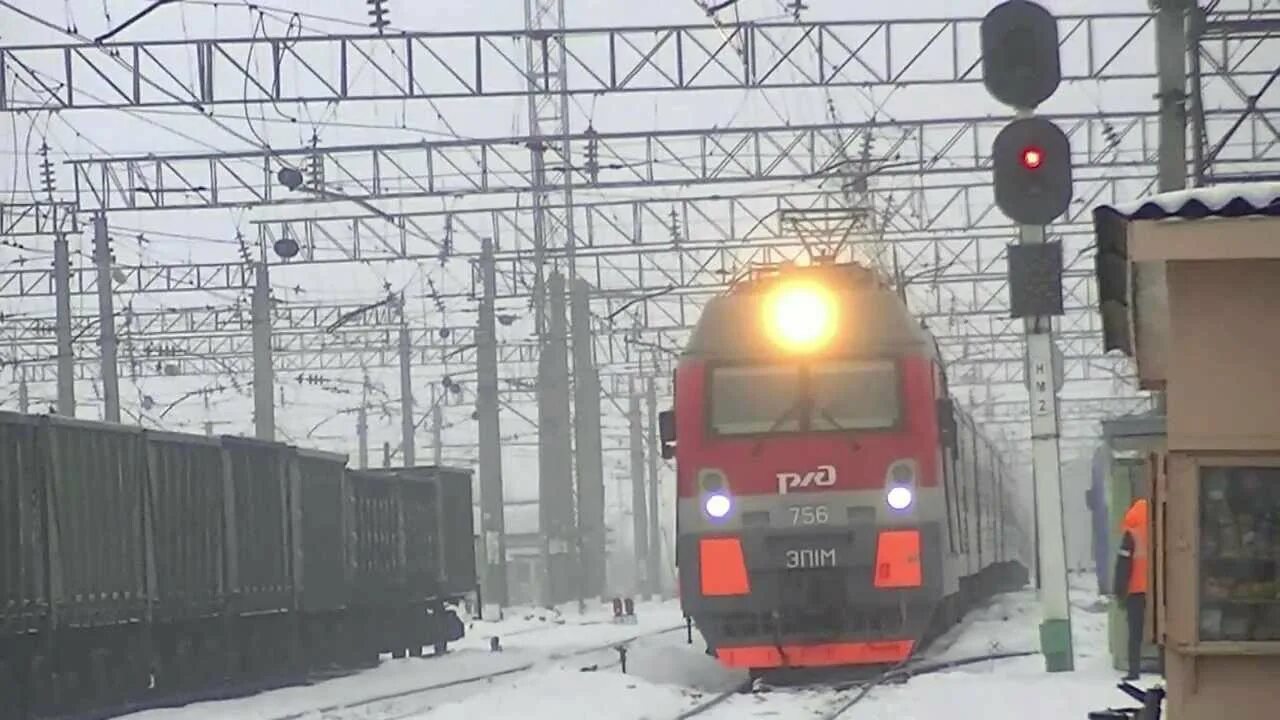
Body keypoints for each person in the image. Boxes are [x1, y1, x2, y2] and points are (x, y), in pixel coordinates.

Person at [1113, 496, 1149, 681]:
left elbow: (1123, 565)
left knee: (1135, 632)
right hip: (1157, 591)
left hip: (1135, 590)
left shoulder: (1131, 534)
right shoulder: (1158, 529)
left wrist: (1119, 591)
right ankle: (1167, 669)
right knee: (1162, 631)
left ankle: (1134, 670)